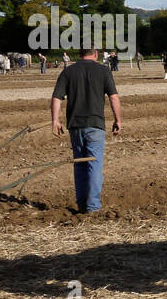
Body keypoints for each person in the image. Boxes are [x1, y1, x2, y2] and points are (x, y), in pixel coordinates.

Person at [50, 47, 122, 214]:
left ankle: (82, 205)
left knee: (80, 165)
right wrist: (118, 119)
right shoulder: (103, 71)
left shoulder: (68, 71)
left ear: (79, 55)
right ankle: (93, 207)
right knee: (94, 166)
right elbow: (113, 97)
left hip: (75, 126)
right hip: (95, 125)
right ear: (95, 54)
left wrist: (55, 120)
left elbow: (56, 97)